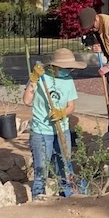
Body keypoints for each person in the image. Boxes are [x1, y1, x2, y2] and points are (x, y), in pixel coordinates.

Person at [23, 47, 81, 199]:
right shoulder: (42, 78)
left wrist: (62, 113)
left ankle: (68, 196)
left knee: (65, 166)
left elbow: (71, 106)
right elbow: (27, 100)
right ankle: (38, 197)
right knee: (41, 168)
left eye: (70, 68)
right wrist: (33, 80)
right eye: (66, 68)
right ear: (55, 66)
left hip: (61, 130)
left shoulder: (68, 80)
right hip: (41, 132)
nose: (69, 71)